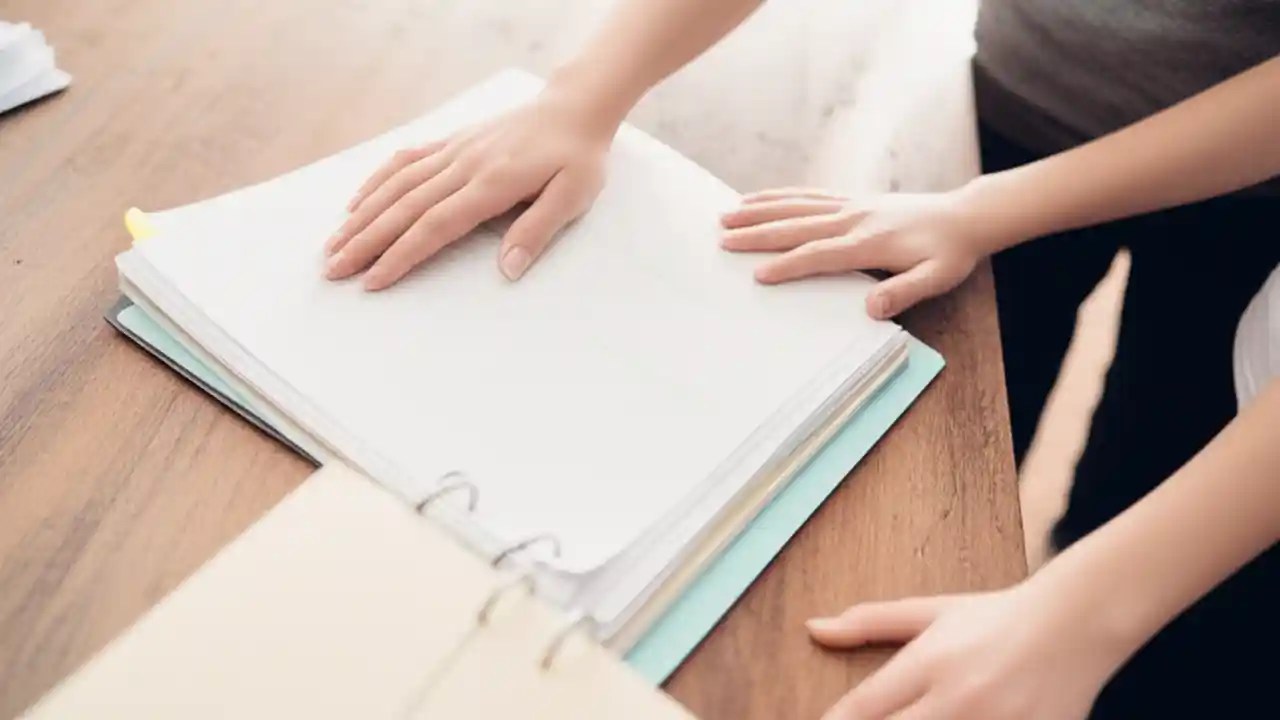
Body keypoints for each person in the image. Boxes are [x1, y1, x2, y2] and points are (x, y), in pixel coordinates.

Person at [322, 1, 1280, 717]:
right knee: (953, 459)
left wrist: (1095, 612)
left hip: (1257, 215)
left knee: (1167, 522)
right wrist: (585, 94)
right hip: (1021, 101)